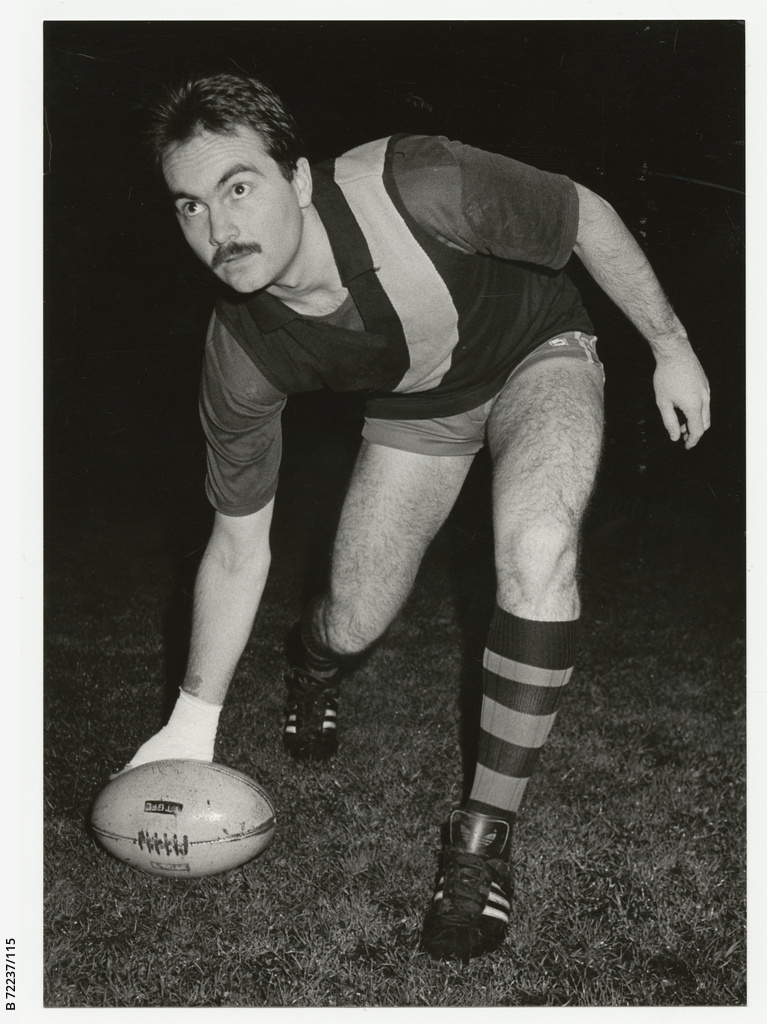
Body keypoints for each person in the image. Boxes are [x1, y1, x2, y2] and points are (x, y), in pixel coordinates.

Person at [119, 72, 710, 961]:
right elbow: (238, 548)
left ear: (300, 180)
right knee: (352, 621)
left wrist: (671, 348)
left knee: (538, 547)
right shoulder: (239, 352)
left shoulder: (417, 183)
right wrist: (189, 726)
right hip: (415, 413)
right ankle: (313, 665)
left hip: (535, 355)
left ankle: (480, 841)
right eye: (190, 206)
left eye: (238, 187)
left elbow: (580, 211)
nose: (219, 228)